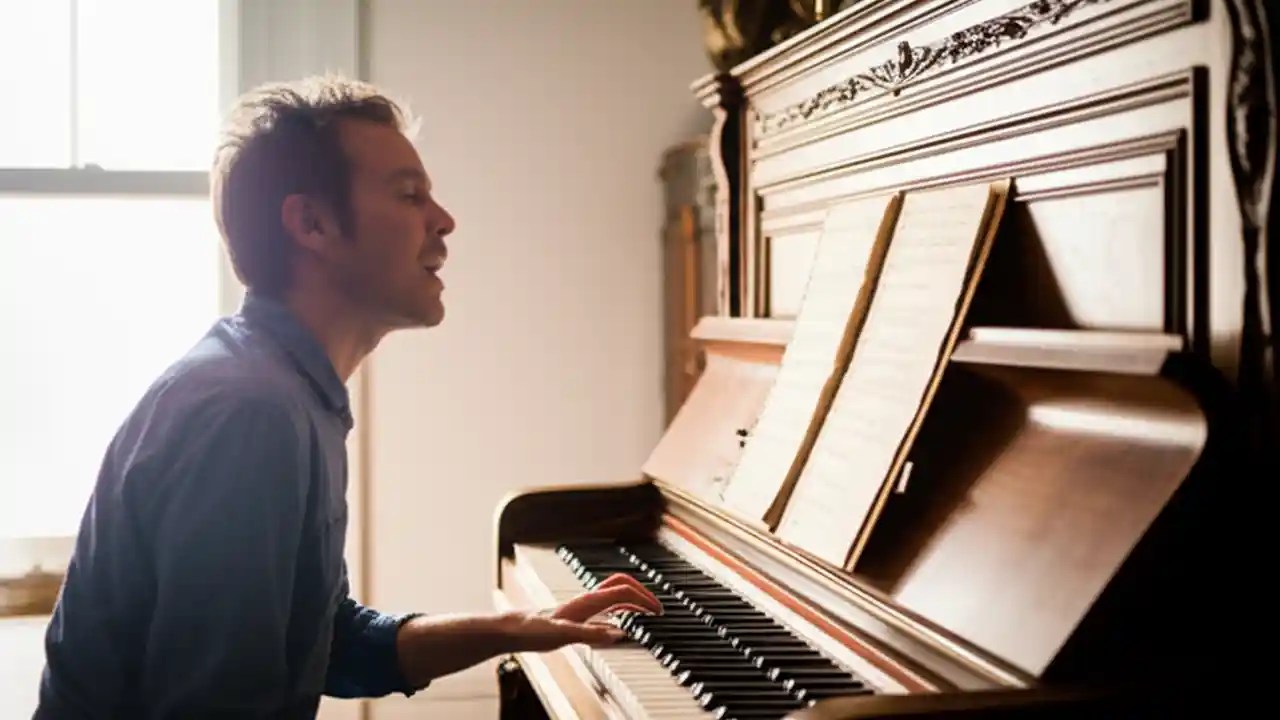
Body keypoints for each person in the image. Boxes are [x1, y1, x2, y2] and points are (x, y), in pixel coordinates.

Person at [34, 75, 662, 719]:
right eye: (411, 195)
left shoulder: (286, 391)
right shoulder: (249, 412)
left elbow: (328, 643)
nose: (444, 221)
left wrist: (521, 627)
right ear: (311, 223)